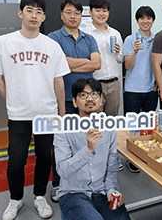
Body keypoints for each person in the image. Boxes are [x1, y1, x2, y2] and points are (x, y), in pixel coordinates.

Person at [0, 0, 70, 220]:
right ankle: (15, 199)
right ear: (21, 13)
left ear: (44, 17)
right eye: (30, 10)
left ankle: (39, 196)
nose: (35, 15)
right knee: (16, 160)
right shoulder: (3, 42)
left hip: (47, 113)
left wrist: (62, 113)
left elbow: (58, 81)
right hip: (19, 114)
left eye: (39, 12)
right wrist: (13, 98)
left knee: (44, 157)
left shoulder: (51, 45)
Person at [54, 78, 131, 220]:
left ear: (101, 100)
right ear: (75, 102)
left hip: (100, 192)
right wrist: (87, 150)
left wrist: (112, 190)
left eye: (94, 94)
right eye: (83, 95)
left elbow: (112, 168)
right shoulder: (63, 129)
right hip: (73, 193)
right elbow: (63, 171)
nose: (90, 98)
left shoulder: (109, 129)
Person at [48, 0, 101, 202]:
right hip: (65, 101)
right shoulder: (53, 38)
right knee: (62, 143)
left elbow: (97, 64)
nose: (73, 16)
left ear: (81, 16)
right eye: (69, 12)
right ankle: (58, 183)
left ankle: (86, 179)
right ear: (62, 15)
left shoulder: (89, 38)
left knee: (87, 139)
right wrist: (79, 63)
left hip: (88, 101)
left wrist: (69, 64)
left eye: (77, 13)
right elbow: (58, 65)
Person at [123, 6, 158, 173]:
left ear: (153, 20)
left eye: (149, 18)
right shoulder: (130, 40)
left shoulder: (157, 39)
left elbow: (161, 64)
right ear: (137, 21)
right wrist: (135, 51)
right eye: (142, 18)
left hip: (151, 90)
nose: (145, 21)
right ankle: (133, 159)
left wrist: (157, 84)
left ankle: (146, 154)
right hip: (132, 90)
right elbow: (128, 66)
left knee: (148, 126)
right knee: (133, 128)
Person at [81, 0, 124, 116]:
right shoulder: (85, 34)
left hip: (114, 84)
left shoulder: (115, 33)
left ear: (108, 13)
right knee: (95, 121)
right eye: (98, 10)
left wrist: (117, 53)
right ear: (90, 12)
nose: (101, 14)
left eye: (104, 10)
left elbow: (121, 60)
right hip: (94, 84)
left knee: (112, 121)